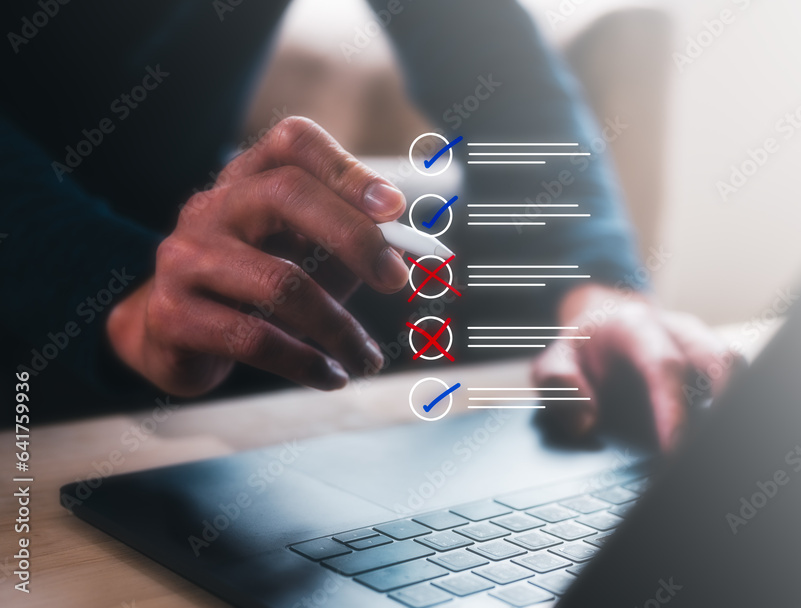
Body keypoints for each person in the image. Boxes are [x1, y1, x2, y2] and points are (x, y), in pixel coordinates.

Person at [0, 0, 737, 447]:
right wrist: (116, 289)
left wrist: (596, 282)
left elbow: (490, 56)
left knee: (482, 258)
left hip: (184, 272)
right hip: (47, 284)